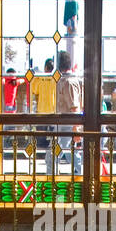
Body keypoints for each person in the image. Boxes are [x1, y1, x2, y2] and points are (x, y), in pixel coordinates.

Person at [45, 49, 83, 177]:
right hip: (63, 124)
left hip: (67, 124)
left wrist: (76, 129)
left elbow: (75, 107)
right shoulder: (64, 81)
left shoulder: (68, 82)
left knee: (56, 155)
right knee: (68, 154)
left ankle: (53, 183)